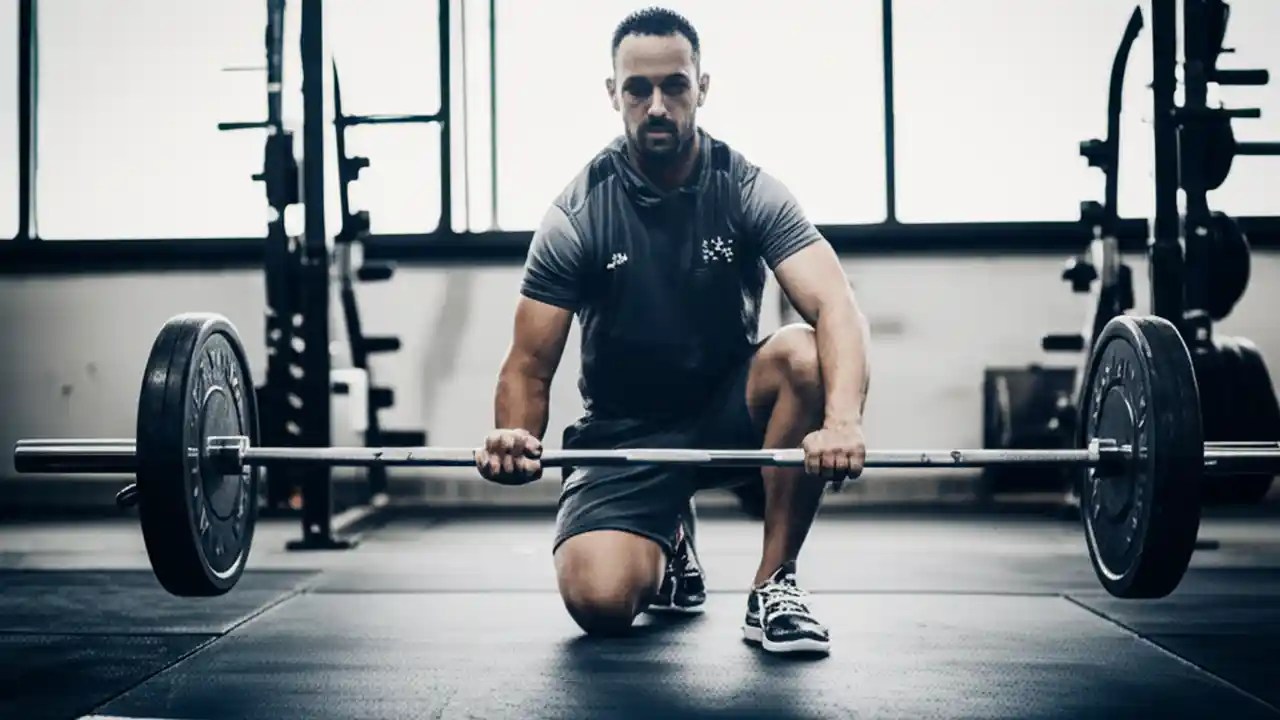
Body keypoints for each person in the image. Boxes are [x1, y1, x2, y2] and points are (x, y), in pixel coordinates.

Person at [474, 7, 871, 655]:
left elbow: (836, 306)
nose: (656, 105)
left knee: (805, 356)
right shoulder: (578, 214)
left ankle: (775, 584)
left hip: (728, 412)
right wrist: (517, 436)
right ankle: (671, 538)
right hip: (625, 434)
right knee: (599, 604)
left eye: (674, 86)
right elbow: (528, 363)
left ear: (701, 88)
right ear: (614, 95)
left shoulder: (746, 188)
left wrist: (844, 419)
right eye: (638, 89)